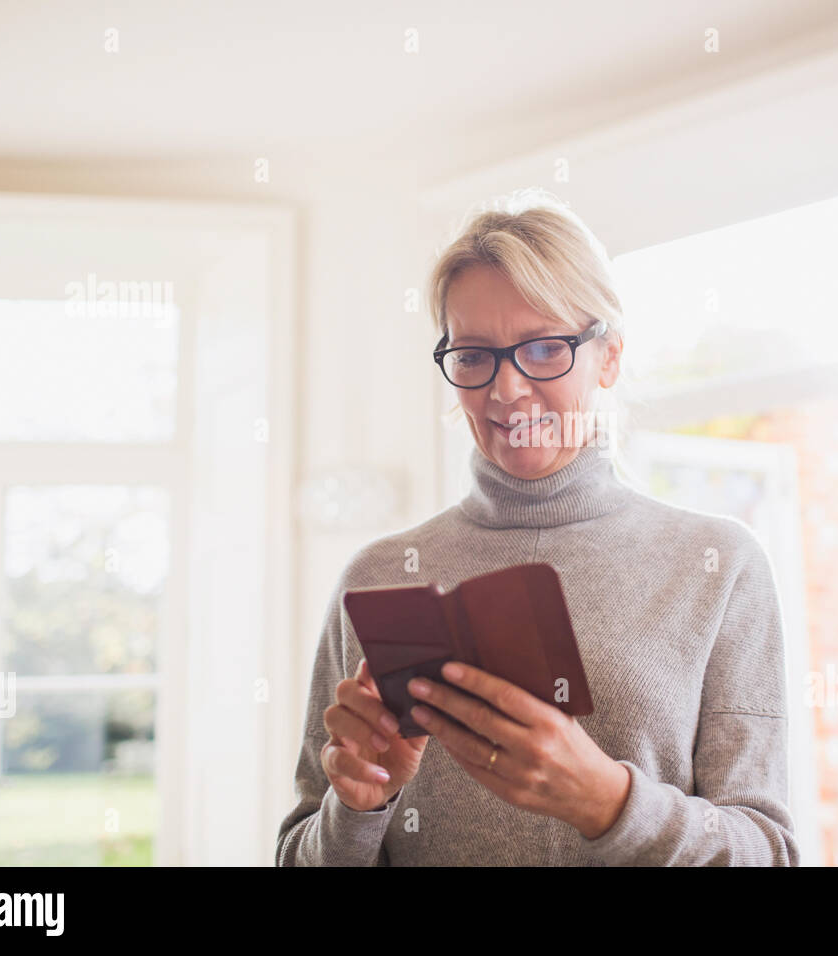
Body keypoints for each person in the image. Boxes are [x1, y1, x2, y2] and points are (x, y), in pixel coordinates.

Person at [276, 188, 798, 865]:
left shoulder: (718, 563)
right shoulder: (377, 577)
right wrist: (359, 805)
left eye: (544, 348)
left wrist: (606, 803)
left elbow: (768, 851)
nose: (507, 389)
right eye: (473, 356)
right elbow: (298, 853)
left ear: (607, 356)